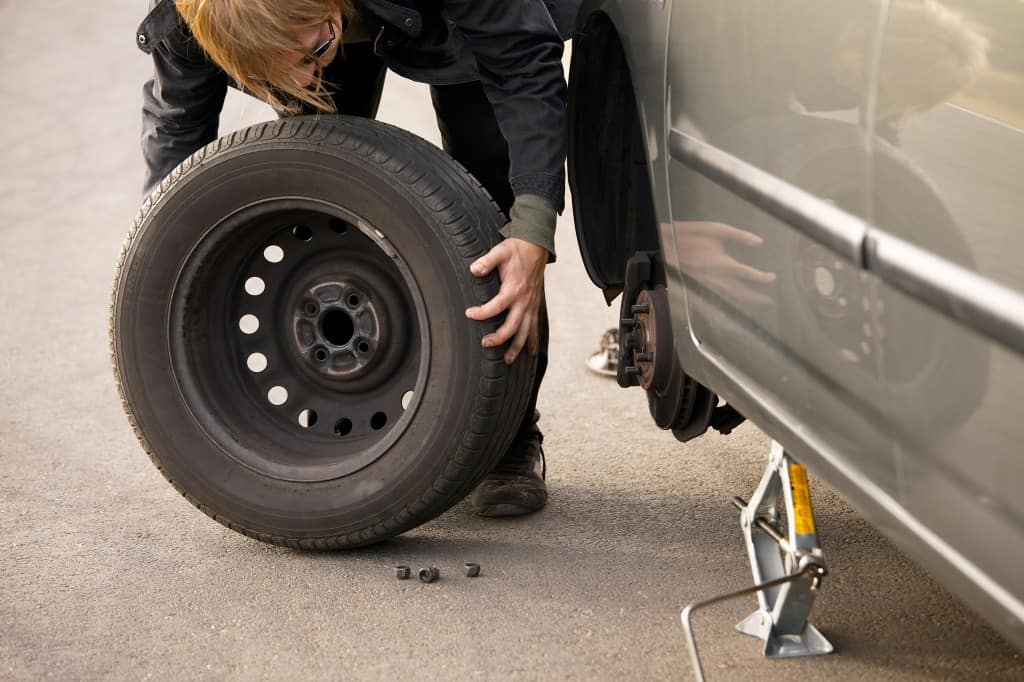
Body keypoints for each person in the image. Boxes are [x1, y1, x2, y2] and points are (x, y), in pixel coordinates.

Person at [136, 0, 580, 517]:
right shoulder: (188, 18)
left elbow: (523, 63)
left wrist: (531, 228)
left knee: (493, 197)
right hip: (307, 23)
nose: (306, 78)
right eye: (279, 71)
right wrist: (156, 259)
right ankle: (340, 419)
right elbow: (177, 126)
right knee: (321, 176)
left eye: (311, 56)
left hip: (463, 16)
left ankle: (509, 436)